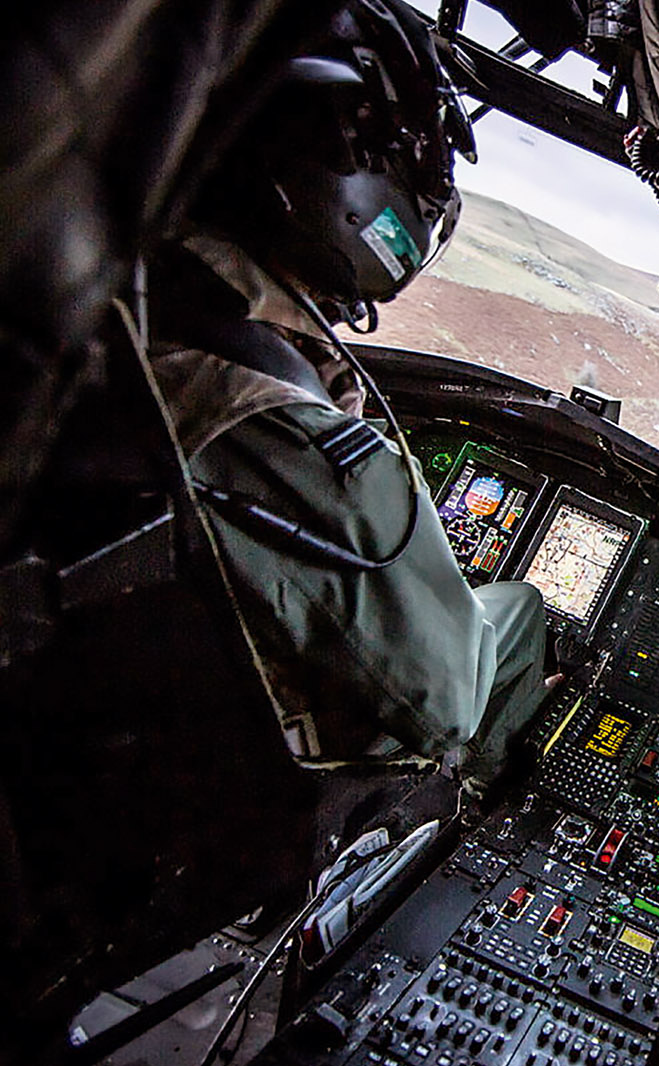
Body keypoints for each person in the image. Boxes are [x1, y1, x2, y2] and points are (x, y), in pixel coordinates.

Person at [145, 0, 554, 790]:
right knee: (515, 611)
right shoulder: (272, 415)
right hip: (239, 786)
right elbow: (449, 697)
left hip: (116, 746)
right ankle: (465, 803)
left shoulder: (110, 313)